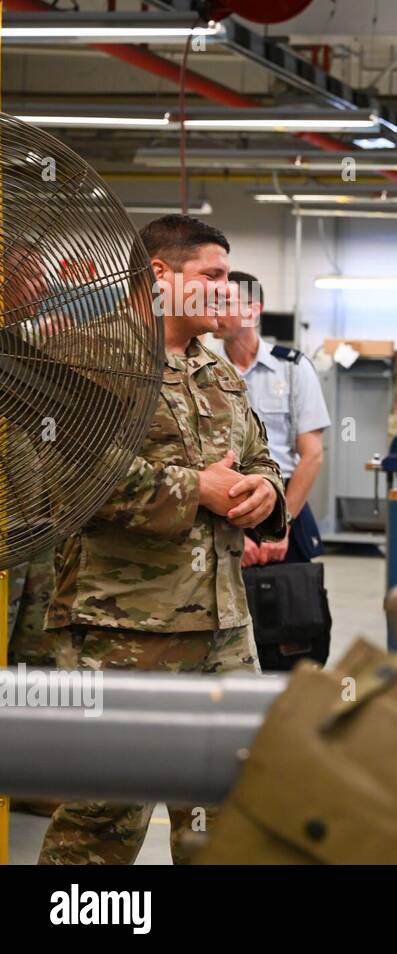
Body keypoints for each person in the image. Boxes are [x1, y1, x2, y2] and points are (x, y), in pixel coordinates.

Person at [37, 214, 286, 865]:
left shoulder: (215, 369)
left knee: (231, 808)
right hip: (124, 628)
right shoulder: (91, 359)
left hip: (224, 627)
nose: (228, 290)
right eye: (213, 275)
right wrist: (195, 489)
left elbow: (258, 458)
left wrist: (266, 493)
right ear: (159, 275)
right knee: (104, 812)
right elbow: (75, 477)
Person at [215, 270, 331, 569]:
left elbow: (312, 454)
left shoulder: (293, 368)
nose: (215, 310)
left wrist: (282, 525)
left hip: (283, 502)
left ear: (253, 310)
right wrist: (233, 533)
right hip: (221, 504)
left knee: (290, 595)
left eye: (225, 302)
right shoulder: (200, 367)